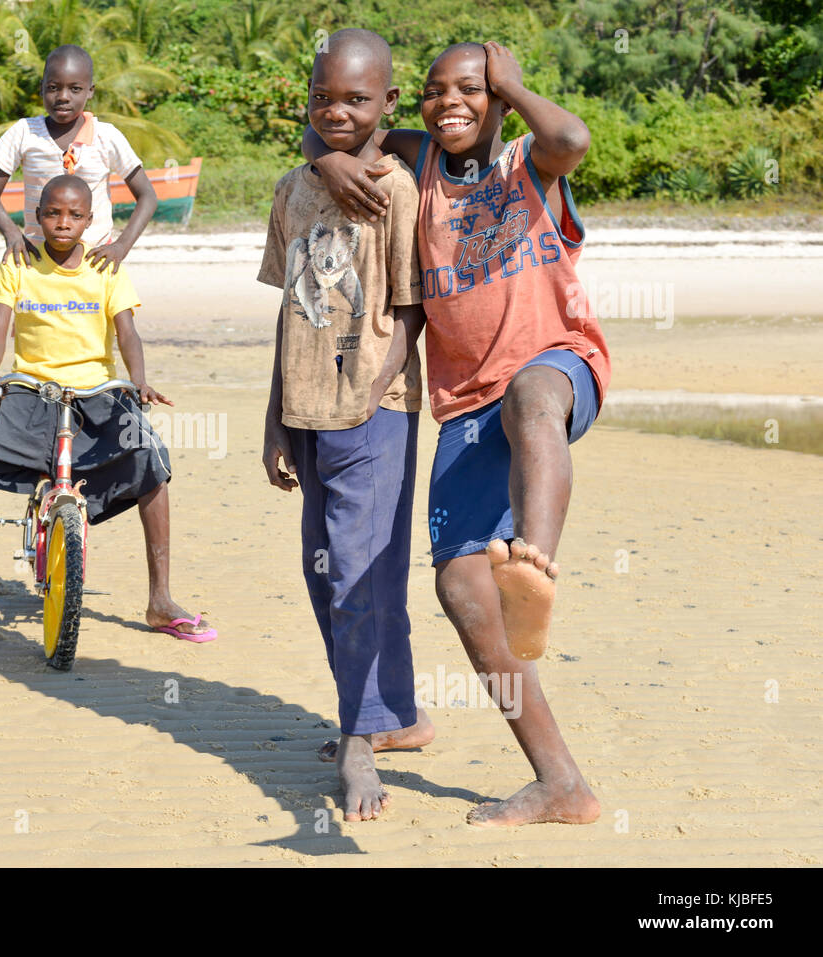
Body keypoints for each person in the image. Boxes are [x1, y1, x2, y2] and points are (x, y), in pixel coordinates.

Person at [305, 41, 609, 826]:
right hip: (464, 405)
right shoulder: (420, 162)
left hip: (554, 361)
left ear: (501, 98)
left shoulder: (528, 163)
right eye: (438, 91)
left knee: (532, 401)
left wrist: (510, 81)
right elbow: (333, 132)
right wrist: (330, 165)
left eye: (471, 90)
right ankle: (561, 782)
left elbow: (572, 140)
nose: (452, 103)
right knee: (459, 587)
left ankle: (535, 565)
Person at [0, 175, 215, 644]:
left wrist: (138, 381)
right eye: (52, 213)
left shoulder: (105, 266)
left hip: (98, 391)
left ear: (90, 221)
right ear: (37, 215)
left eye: (74, 215)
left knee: (151, 461)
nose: (62, 222)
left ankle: (161, 601)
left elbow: (127, 332)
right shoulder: (19, 262)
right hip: (30, 388)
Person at [260, 29, 433, 823]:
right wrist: (274, 418)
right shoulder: (293, 189)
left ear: (388, 105)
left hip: (374, 413)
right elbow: (287, 308)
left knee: (357, 575)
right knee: (327, 568)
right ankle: (393, 714)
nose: (338, 112)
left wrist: (372, 390)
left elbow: (411, 310)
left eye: (356, 100)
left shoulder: (399, 190)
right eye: (323, 98)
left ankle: (359, 739)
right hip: (305, 412)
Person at [0, 44, 158, 275]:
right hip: (36, 259)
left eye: (75, 89)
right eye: (53, 87)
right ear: (41, 88)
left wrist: (120, 247)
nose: (63, 97)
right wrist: (12, 234)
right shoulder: (24, 132)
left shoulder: (107, 136)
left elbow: (147, 196)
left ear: (90, 91)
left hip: (96, 261)